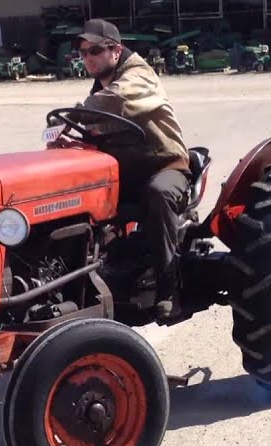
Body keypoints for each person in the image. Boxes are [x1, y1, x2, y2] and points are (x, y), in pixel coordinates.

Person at [74, 18, 191, 320]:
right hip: (126, 174)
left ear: (116, 49)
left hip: (164, 166)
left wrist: (74, 116)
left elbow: (116, 100)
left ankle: (170, 289)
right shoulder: (98, 89)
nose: (88, 58)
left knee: (158, 193)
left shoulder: (138, 76)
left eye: (95, 50)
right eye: (83, 52)